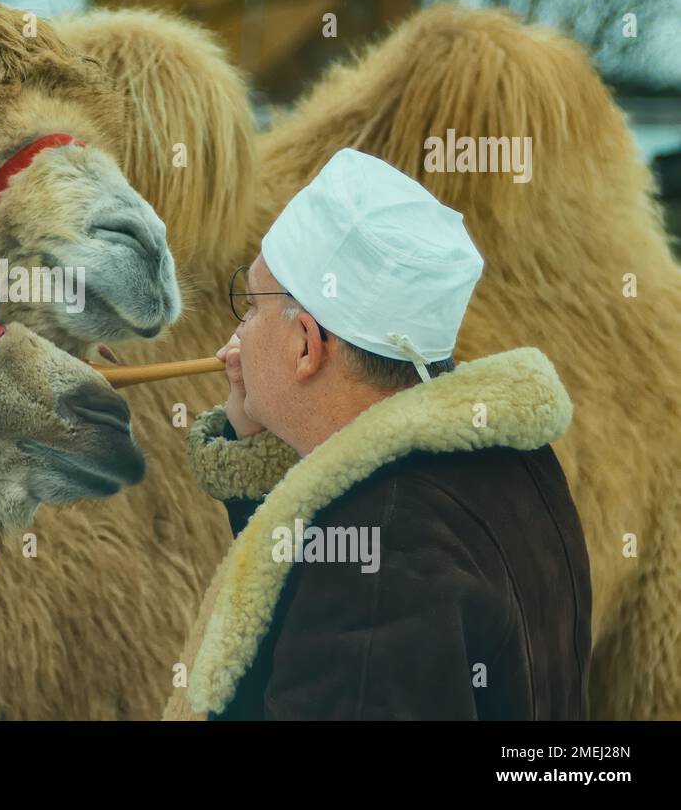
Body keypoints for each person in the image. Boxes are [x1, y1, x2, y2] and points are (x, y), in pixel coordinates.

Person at [168, 148, 592, 721]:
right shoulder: (513, 460)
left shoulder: (374, 563)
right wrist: (257, 451)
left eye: (253, 302)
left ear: (306, 346)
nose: (240, 329)